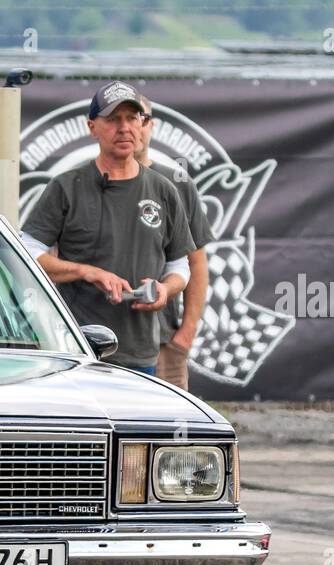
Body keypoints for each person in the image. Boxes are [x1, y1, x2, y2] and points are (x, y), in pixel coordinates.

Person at [20, 80, 193, 374]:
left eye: (132, 118)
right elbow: (26, 256)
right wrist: (86, 271)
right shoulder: (66, 186)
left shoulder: (163, 190)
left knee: (138, 422)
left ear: (142, 124)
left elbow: (181, 266)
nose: (124, 128)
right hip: (76, 351)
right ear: (92, 127)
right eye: (113, 119)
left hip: (141, 355)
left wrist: (164, 289)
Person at [136, 93, 213, 390]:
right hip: (99, 343)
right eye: (118, 120)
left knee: (167, 433)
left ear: (151, 125)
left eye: (139, 119)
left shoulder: (177, 184)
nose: (131, 128)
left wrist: (186, 334)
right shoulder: (80, 184)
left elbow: (196, 261)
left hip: (164, 340)